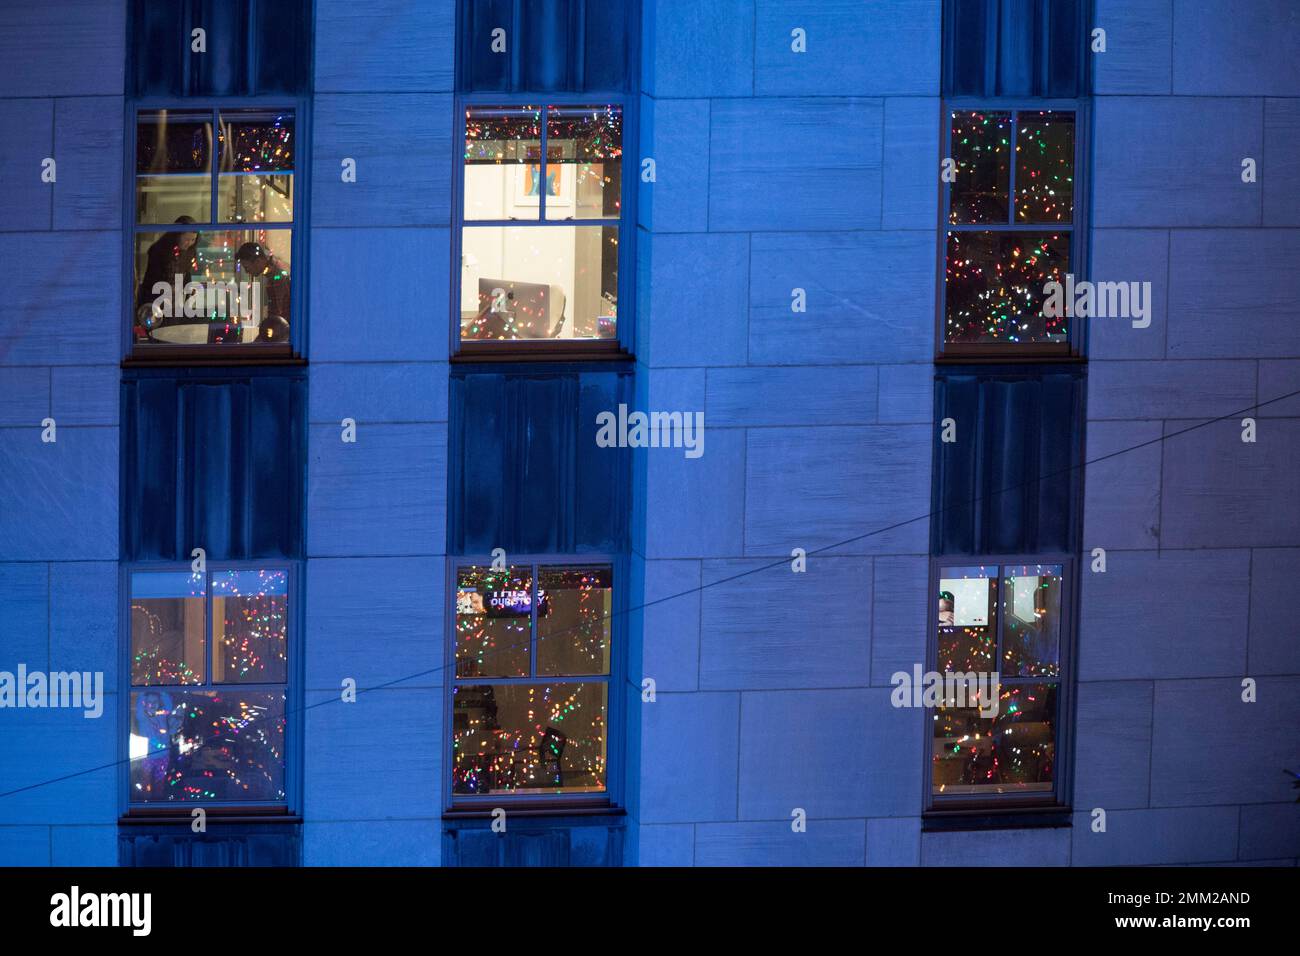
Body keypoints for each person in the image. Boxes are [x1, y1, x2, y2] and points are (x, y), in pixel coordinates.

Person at [134, 216, 199, 339]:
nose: (189, 243)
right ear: (177, 235)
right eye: (186, 239)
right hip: (158, 302)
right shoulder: (160, 251)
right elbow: (151, 280)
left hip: (176, 305)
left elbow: (187, 277)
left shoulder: (189, 253)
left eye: (193, 240)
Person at [235, 241, 291, 343]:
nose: (247, 272)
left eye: (247, 267)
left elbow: (279, 315)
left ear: (258, 261)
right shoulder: (275, 271)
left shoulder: (277, 277)